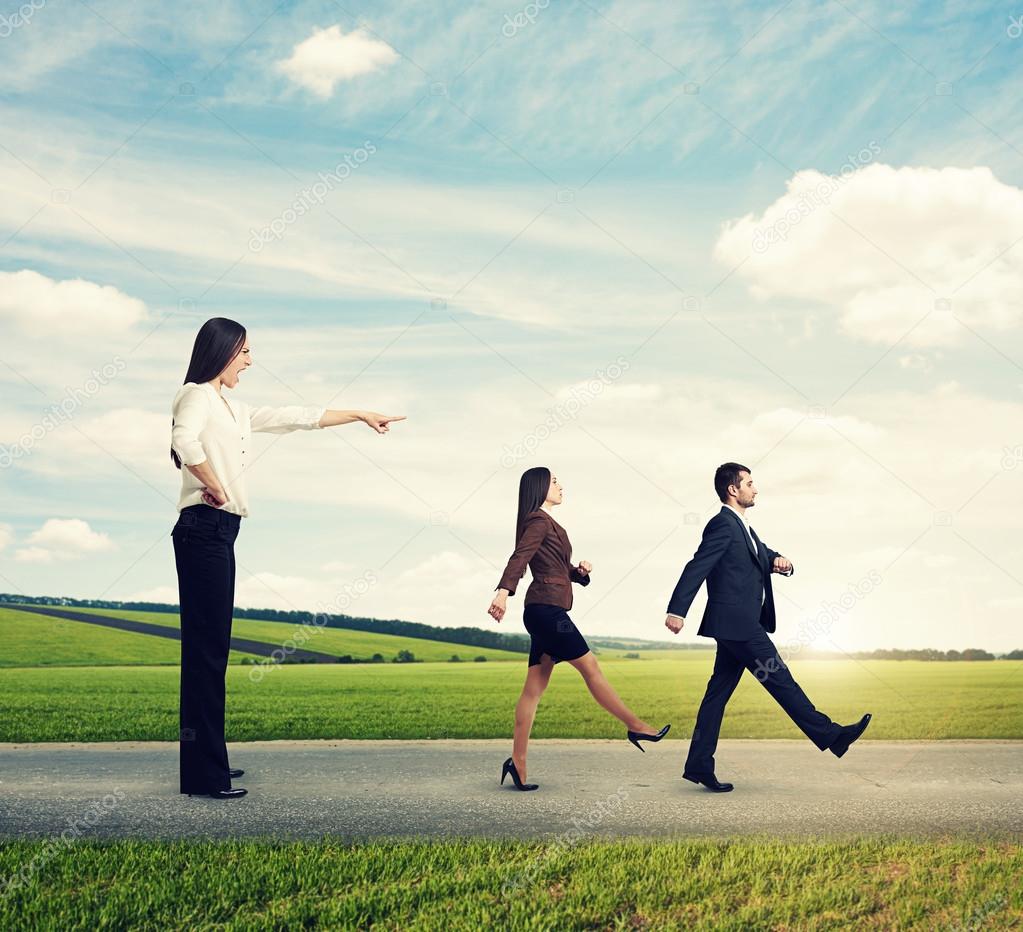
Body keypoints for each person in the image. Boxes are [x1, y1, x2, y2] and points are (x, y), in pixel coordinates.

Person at [169, 317, 404, 799]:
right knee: (205, 656)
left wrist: (359, 413)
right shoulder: (195, 394)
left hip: (220, 532)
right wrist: (215, 485)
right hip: (203, 529)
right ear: (223, 351)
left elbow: (297, 416)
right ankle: (203, 775)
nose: (251, 361)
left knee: (212, 654)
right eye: (246, 353)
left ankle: (207, 765)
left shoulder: (230, 407)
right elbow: (183, 441)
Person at [665, 462, 871, 792]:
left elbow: (758, 553)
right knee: (781, 681)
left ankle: (699, 765)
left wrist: (779, 560)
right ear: (733, 490)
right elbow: (698, 565)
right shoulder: (722, 524)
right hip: (739, 624)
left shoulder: (742, 527)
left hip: (734, 625)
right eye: (749, 483)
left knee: (716, 696)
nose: (755, 488)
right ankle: (832, 735)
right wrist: (677, 610)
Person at [489, 466, 670, 791]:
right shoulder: (538, 520)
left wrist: (579, 571)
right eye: (555, 481)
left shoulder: (546, 522)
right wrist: (503, 591)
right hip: (547, 611)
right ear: (540, 486)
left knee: (533, 689)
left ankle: (517, 762)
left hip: (544, 609)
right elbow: (521, 556)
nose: (560, 485)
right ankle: (635, 726)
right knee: (591, 667)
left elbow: (555, 566)